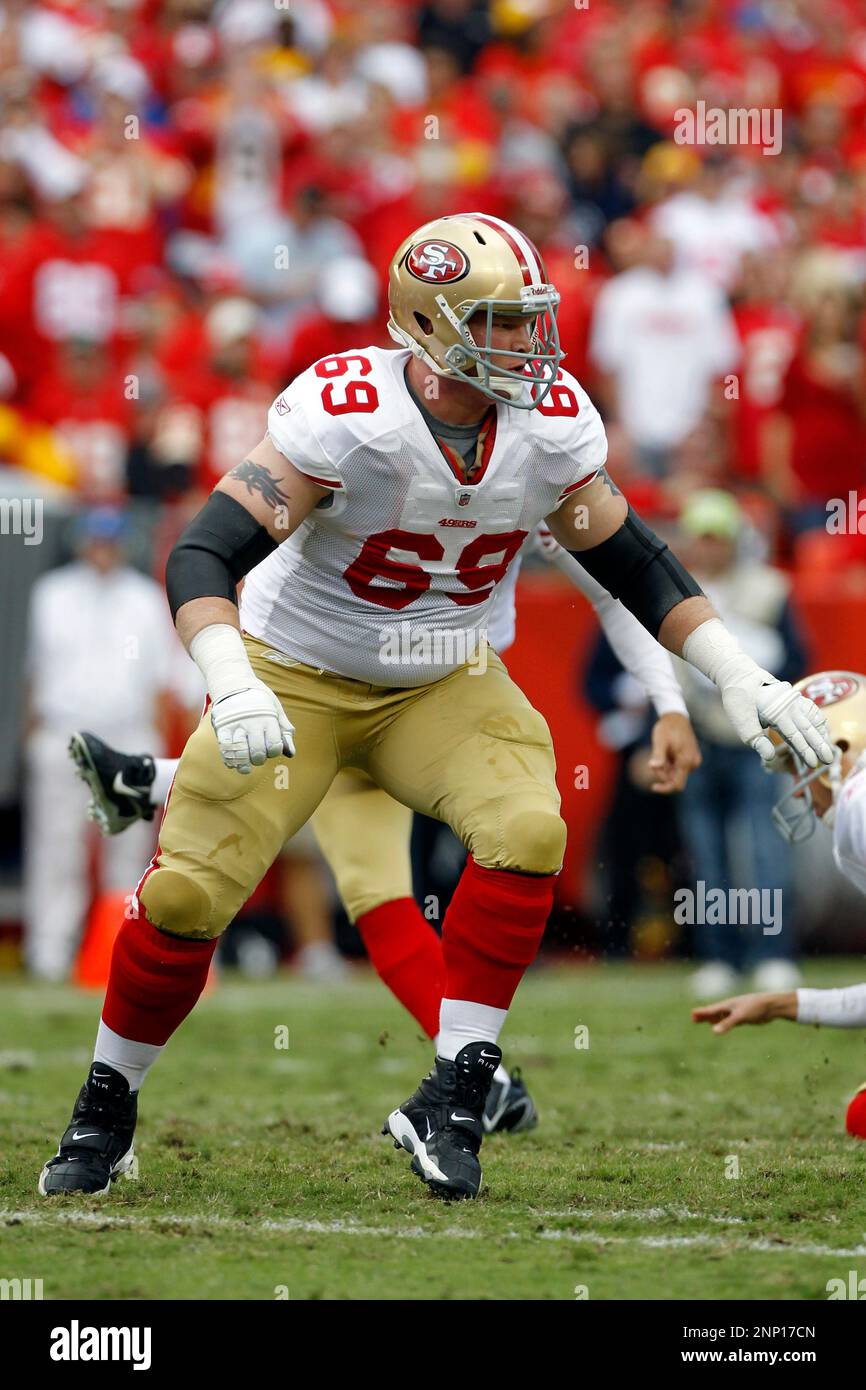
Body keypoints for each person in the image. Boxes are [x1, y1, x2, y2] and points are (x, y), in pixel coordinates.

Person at [39, 212, 831, 1204]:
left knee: (528, 827)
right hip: (298, 671)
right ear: (428, 326)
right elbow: (202, 553)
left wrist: (739, 679)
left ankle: (450, 1097)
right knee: (185, 896)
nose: (524, 343)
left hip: (444, 677)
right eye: (498, 323)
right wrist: (232, 677)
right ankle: (107, 1099)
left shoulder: (547, 422)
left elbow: (632, 566)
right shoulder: (348, 412)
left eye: (527, 319)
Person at [68, 518, 702, 1131]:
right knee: (363, 888)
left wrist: (671, 703)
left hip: (449, 704)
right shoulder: (370, 445)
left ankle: (151, 780)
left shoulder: (536, 460)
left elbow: (617, 583)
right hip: (335, 682)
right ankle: (485, 1081)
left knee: (492, 847)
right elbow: (238, 548)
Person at [22, 507, 196, 981]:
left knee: (129, 847)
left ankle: (118, 943)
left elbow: (164, 682)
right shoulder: (52, 593)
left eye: (110, 539)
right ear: (82, 542)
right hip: (65, 731)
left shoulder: (145, 598)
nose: (102, 548)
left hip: (128, 733)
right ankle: (49, 949)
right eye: (95, 539)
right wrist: (31, 732)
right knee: (56, 845)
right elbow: (35, 674)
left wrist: (156, 748)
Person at [693, 669, 866, 1137]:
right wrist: (781, 1005)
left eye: (799, 765)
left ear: (840, 748)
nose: (799, 786)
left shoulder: (858, 806)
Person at [671, 489, 810, 998]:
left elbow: (795, 658)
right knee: (707, 855)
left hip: (759, 738)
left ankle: (773, 952)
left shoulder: (768, 589)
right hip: (702, 732)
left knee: (764, 848)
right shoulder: (676, 589)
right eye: (700, 538)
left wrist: (772, 705)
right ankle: (719, 955)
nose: (708, 548)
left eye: (716, 538)